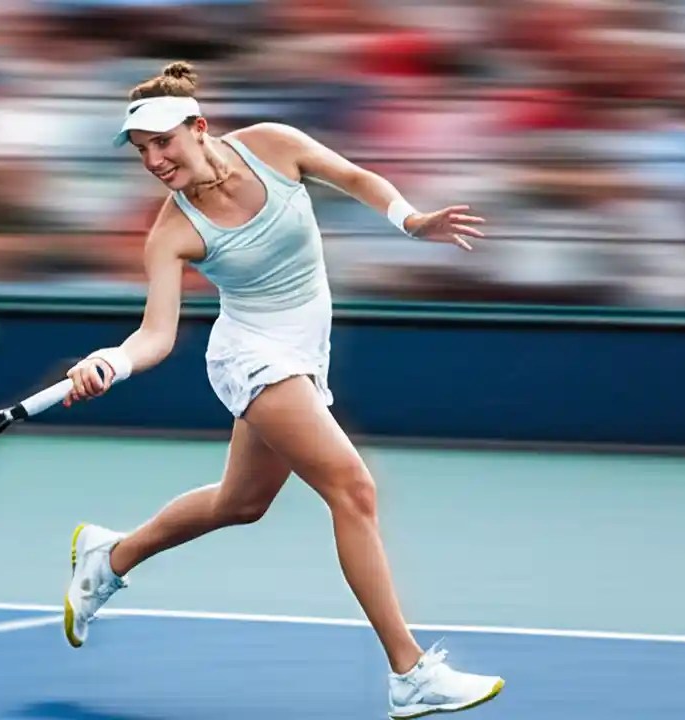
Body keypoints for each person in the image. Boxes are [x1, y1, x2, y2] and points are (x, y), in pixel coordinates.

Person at [61, 61, 503, 718]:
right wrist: (111, 362)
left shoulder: (273, 145)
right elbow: (154, 336)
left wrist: (410, 222)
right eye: (142, 150)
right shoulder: (172, 232)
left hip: (302, 352)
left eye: (164, 142)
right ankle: (409, 674)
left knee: (240, 503)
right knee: (353, 489)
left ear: (199, 128)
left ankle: (109, 555)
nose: (154, 160)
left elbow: (353, 178)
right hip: (252, 357)